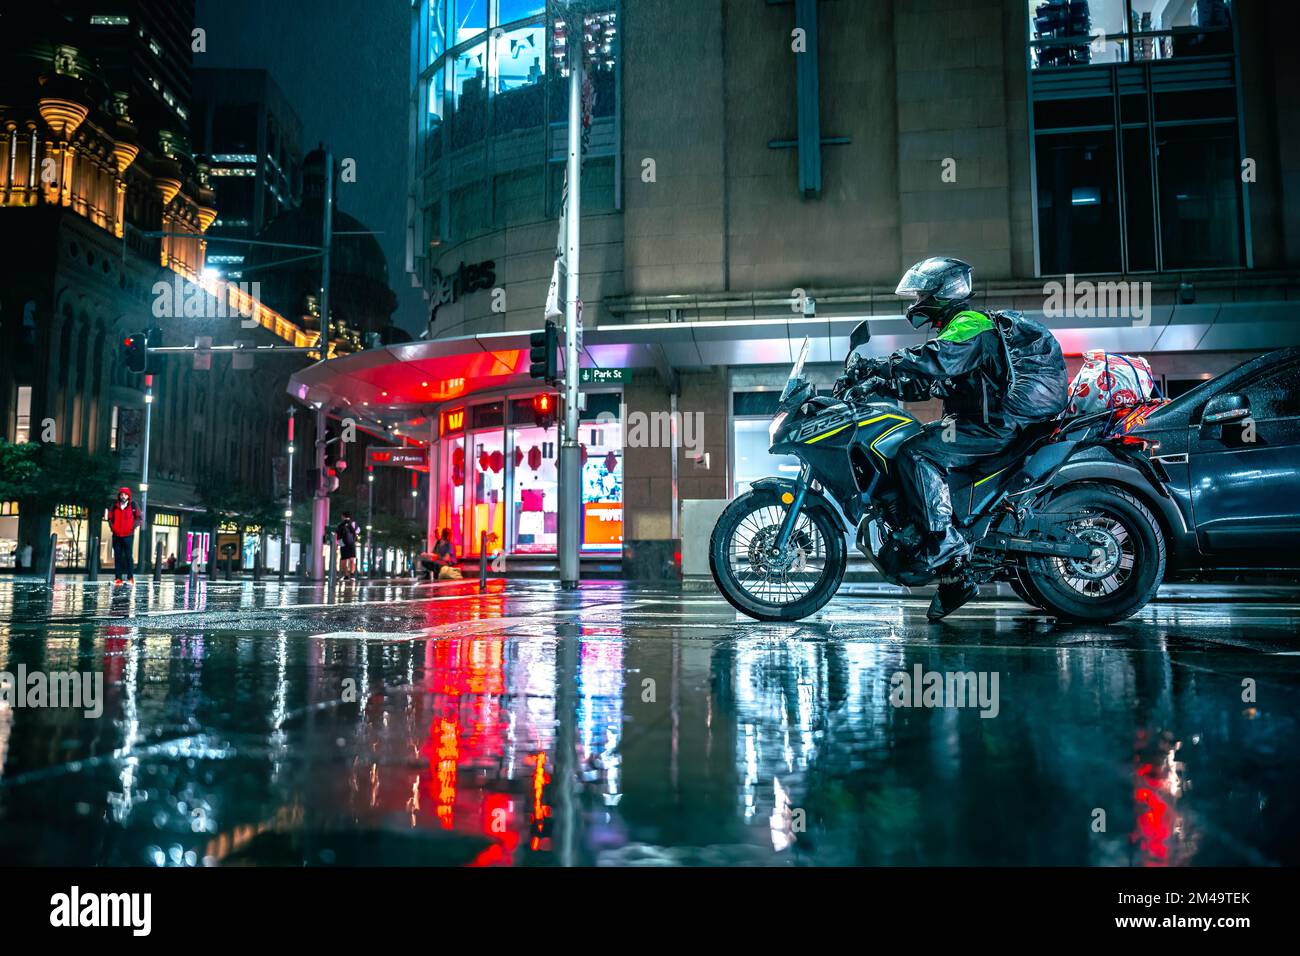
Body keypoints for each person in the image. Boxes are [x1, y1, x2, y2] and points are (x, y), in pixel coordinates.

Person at [835, 257, 1067, 621]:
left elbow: (936, 361)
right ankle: (952, 572)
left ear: (943, 292)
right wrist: (878, 382)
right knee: (913, 443)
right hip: (980, 421)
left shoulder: (969, 324)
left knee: (916, 453)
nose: (916, 301)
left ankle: (944, 545)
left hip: (1000, 423)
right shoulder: (956, 329)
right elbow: (929, 381)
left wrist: (878, 364)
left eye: (922, 293)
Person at [106, 486, 142, 586]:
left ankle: (130, 578)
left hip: (128, 535)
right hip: (116, 535)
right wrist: (112, 528)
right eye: (121, 494)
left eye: (125, 494)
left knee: (128, 557)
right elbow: (109, 518)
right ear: (119, 495)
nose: (123, 496)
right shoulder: (114, 505)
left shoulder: (133, 505)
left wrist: (132, 528)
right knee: (117, 557)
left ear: (128, 496)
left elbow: (139, 518)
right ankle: (118, 578)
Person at [336, 512, 361, 580]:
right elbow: (358, 530)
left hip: (343, 544)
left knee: (344, 559)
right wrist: (354, 538)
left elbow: (338, 535)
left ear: (343, 516)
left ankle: (346, 575)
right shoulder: (353, 523)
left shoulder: (340, 525)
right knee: (352, 559)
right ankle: (352, 575)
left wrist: (340, 545)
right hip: (351, 544)